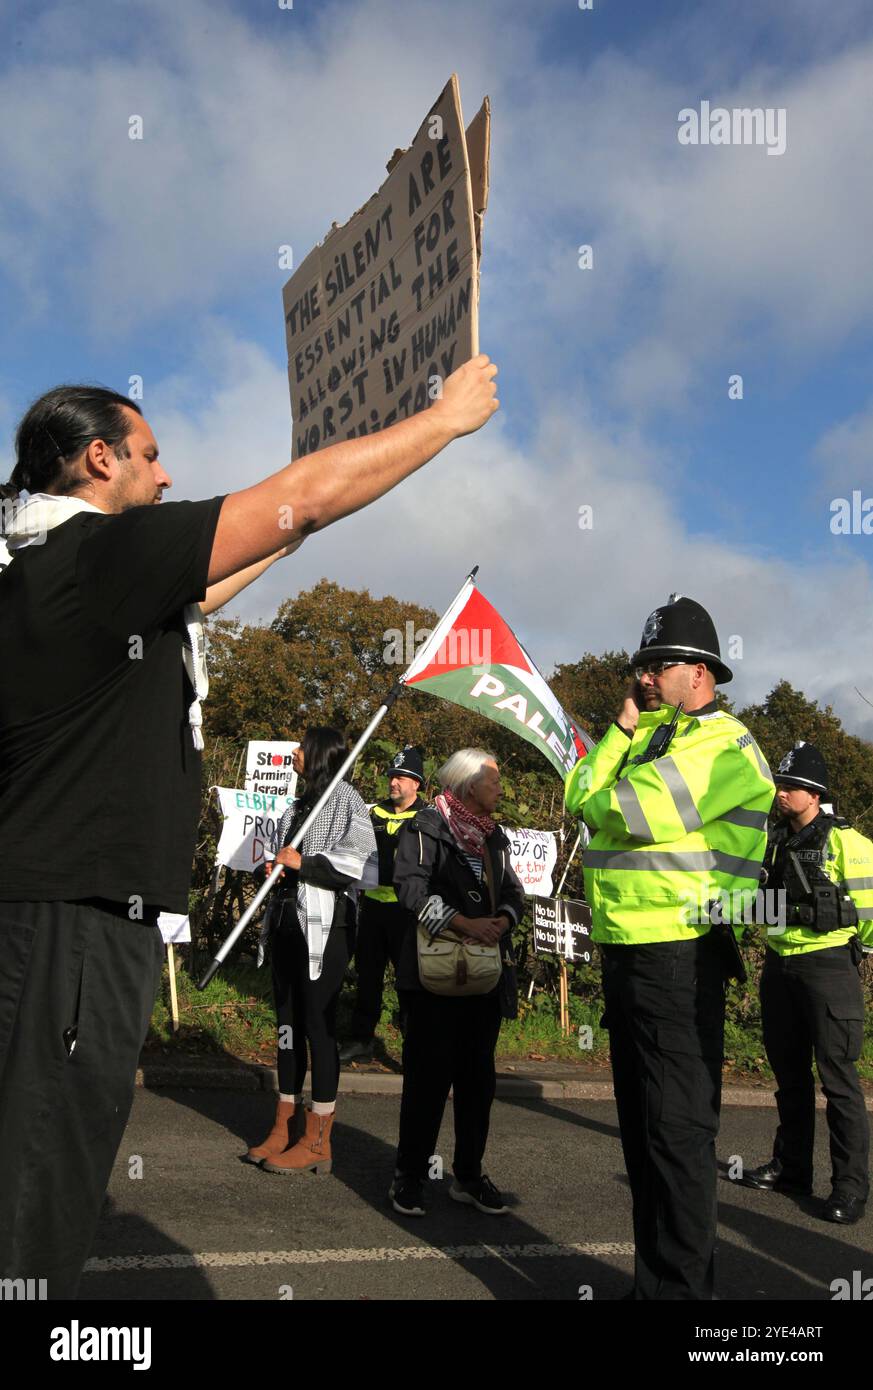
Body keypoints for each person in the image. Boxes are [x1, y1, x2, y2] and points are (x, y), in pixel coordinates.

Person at [0, 356, 498, 1297]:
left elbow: (219, 580)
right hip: (72, 927)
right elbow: (295, 497)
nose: (169, 475)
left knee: (37, 1179)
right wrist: (441, 423)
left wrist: (289, 538)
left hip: (52, 922)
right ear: (98, 461)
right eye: (151, 455)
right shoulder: (96, 552)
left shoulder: (48, 565)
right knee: (38, 1195)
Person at [565, 594, 774, 1301]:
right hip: (633, 951)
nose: (645, 677)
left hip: (678, 953)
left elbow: (618, 810)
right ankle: (652, 1288)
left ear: (702, 673)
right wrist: (623, 730)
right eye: (643, 665)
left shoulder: (722, 744)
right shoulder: (655, 737)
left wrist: (612, 774)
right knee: (644, 1137)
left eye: (659, 665)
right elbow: (577, 794)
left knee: (677, 1140)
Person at [740, 742, 872, 1224]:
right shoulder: (772, 840)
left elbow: (872, 911)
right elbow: (759, 901)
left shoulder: (846, 842)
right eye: (780, 782)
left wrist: (855, 950)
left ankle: (850, 1187)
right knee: (789, 1077)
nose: (781, 791)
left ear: (814, 794)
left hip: (829, 967)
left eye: (792, 786)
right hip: (780, 966)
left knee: (838, 1082)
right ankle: (793, 1168)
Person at [390, 749, 525, 1217]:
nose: (500, 788)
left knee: (477, 1081)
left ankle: (468, 1175)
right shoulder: (425, 828)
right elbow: (410, 889)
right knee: (427, 1081)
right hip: (431, 978)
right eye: (494, 780)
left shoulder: (494, 838)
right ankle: (409, 1176)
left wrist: (501, 923)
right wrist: (465, 925)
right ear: (469, 785)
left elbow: (513, 893)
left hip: (484, 977)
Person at [245, 727, 375, 1174]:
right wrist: (277, 869)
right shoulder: (297, 805)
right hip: (283, 922)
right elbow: (288, 859)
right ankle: (284, 1123)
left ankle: (319, 1138)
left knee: (318, 1028)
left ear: (320, 754)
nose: (294, 753)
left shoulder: (347, 800)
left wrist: (305, 863)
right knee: (286, 1025)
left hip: (326, 929)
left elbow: (363, 864)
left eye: (301, 747)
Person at [340, 746, 427, 1062]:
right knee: (368, 978)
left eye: (402, 777)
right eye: (392, 776)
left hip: (408, 914)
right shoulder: (371, 813)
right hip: (372, 910)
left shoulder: (428, 817)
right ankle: (361, 1040)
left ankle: (414, 1049)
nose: (394, 783)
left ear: (416, 783)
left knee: (410, 983)